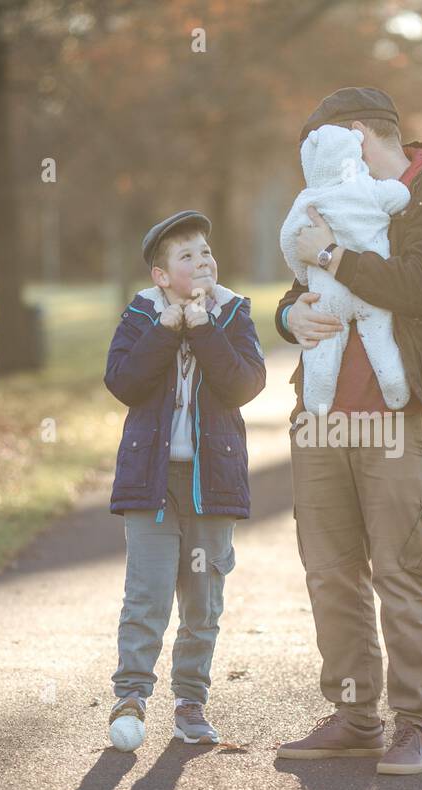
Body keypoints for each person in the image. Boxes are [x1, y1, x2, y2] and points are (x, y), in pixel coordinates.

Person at [273, 88, 422, 775]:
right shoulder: (331, 193)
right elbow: (301, 275)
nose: (313, 161)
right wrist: (286, 320)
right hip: (321, 418)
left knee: (402, 570)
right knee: (331, 573)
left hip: (398, 418)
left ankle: (414, 723)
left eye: (320, 144)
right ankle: (354, 717)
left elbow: (420, 287)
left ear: (357, 135)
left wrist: (331, 257)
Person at [103, 210, 265, 750]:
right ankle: (131, 697)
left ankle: (190, 700)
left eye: (206, 252)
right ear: (161, 276)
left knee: (203, 601)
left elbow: (244, 383)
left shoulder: (233, 314)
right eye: (187, 256)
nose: (202, 261)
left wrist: (201, 325)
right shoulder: (140, 317)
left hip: (211, 482)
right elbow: (123, 381)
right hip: (151, 482)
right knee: (146, 595)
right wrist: (168, 327)